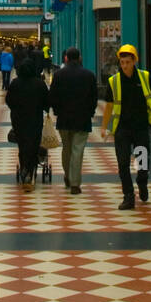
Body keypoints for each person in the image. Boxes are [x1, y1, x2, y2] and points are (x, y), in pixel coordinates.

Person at [101, 44, 151, 210]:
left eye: (127, 62)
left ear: (134, 61)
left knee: (142, 161)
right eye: (122, 62)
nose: (125, 65)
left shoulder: (144, 77)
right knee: (123, 163)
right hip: (122, 129)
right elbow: (109, 106)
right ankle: (128, 196)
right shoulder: (114, 81)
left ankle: (142, 182)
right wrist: (104, 127)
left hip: (140, 126)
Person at [48, 46, 98, 194]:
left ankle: (68, 176)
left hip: (64, 118)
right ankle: (75, 182)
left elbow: (53, 96)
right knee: (78, 150)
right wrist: (91, 112)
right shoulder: (89, 75)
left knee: (67, 148)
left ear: (66, 58)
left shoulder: (58, 75)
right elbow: (93, 97)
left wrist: (56, 110)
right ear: (80, 58)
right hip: (82, 118)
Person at [6, 55, 49, 191]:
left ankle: (25, 168)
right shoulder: (39, 84)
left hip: (18, 119)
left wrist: (16, 108)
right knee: (33, 144)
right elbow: (46, 102)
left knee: (22, 144)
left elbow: (9, 100)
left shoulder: (15, 83)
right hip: (35, 119)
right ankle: (29, 171)